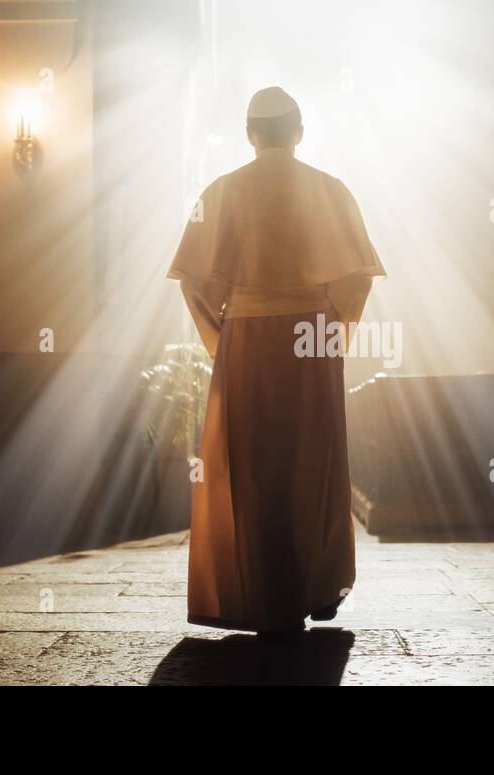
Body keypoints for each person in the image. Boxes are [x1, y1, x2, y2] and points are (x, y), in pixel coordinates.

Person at [167, 86, 385, 635]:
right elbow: (355, 282)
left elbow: (194, 286)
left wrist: (226, 337)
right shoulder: (329, 190)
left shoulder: (222, 192)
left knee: (252, 465)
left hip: (246, 340)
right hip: (310, 336)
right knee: (314, 458)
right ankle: (321, 586)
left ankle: (261, 593)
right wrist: (331, 332)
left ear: (249, 134)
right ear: (299, 131)